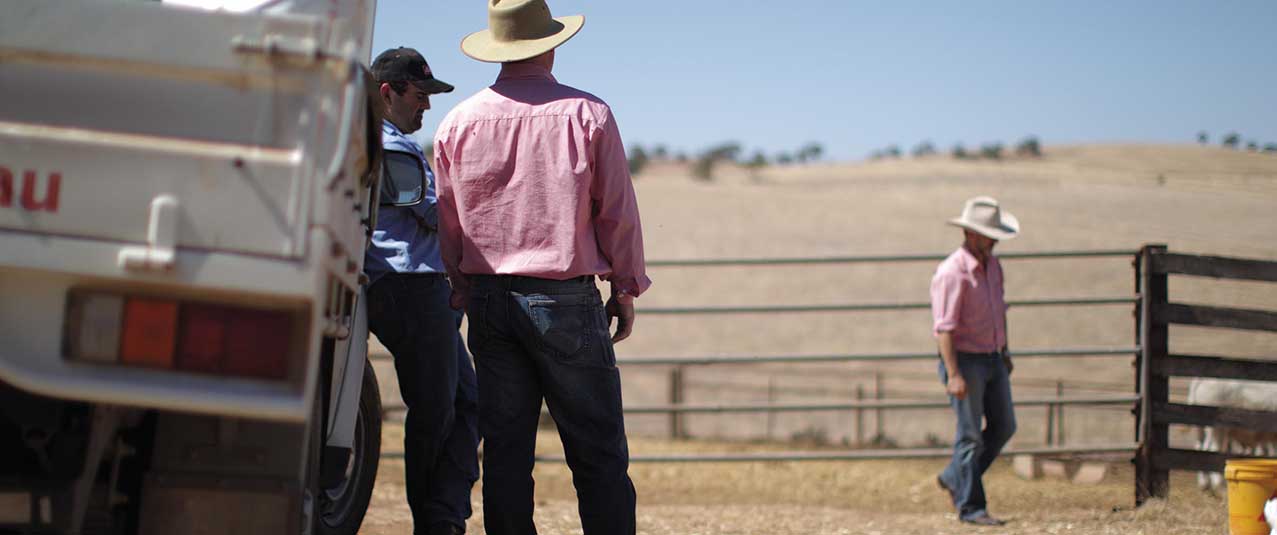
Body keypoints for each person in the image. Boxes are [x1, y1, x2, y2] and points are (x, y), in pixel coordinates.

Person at [432, 2, 650, 534]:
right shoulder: (587, 114)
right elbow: (616, 210)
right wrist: (625, 287)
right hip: (565, 301)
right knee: (596, 451)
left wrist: (463, 289)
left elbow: (449, 220)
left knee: (506, 454)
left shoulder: (458, 122)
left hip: (489, 299)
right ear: (550, 45)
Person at [365, 47, 479, 535]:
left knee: (456, 402)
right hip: (410, 285)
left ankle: (443, 517)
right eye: (420, 95)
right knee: (440, 407)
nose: (427, 107)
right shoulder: (391, 146)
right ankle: (437, 521)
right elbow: (434, 216)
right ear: (387, 93)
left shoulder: (382, 142)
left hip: (405, 284)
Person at [930, 196, 1020, 526]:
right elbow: (945, 328)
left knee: (1004, 426)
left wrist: (1005, 351)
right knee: (970, 435)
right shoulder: (952, 273)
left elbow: (1000, 310)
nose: (993, 240)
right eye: (987, 234)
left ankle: (956, 476)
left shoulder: (993, 267)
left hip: (992, 357)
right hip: (966, 360)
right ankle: (971, 508)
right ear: (970, 234)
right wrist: (953, 373)